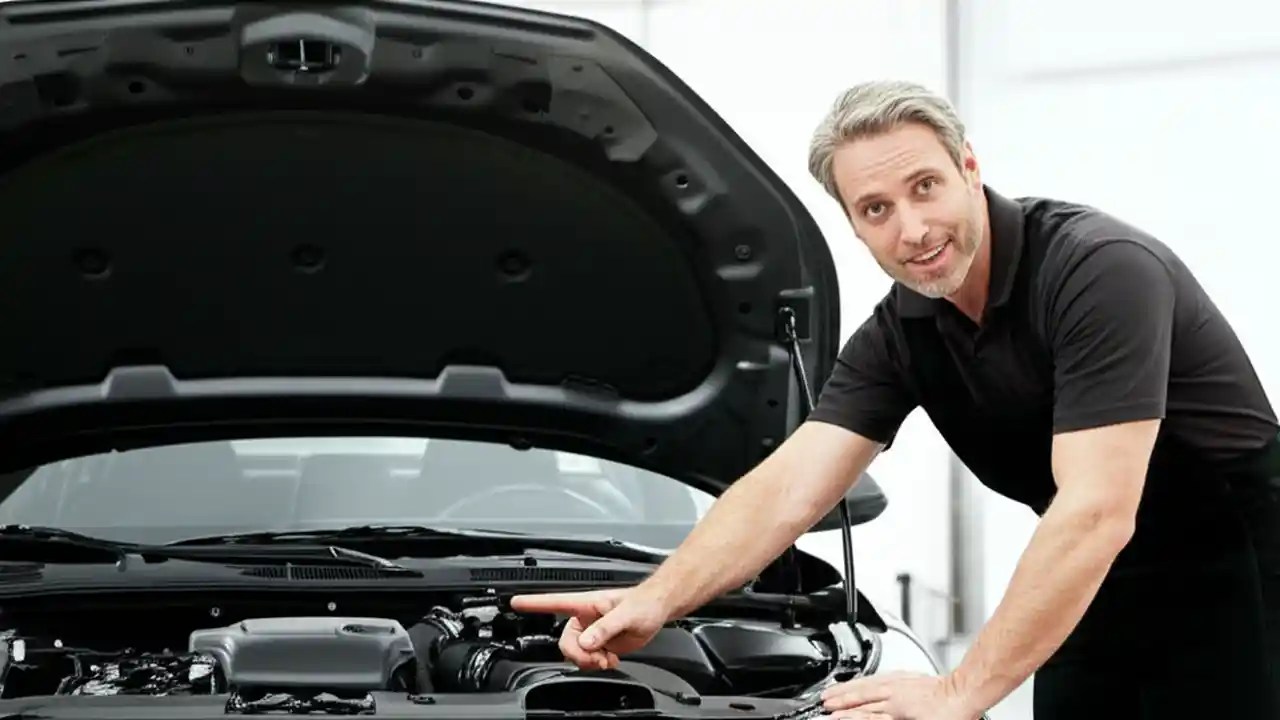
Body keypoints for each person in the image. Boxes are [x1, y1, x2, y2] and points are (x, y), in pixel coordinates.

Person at [511, 80, 1280, 719]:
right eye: (876, 209)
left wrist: (959, 691)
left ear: (970, 168)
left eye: (925, 187)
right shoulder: (903, 329)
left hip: (1245, 561)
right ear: (852, 225)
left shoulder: (1099, 272)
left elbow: (1096, 510)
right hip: (1106, 572)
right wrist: (655, 600)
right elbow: (790, 486)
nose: (912, 230)